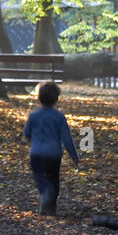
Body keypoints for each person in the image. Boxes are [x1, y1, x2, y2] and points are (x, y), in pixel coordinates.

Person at [22, 82, 79, 216]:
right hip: (53, 154)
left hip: (36, 153)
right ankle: (51, 206)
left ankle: (45, 194)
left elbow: (26, 134)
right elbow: (66, 138)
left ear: (39, 98)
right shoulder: (59, 116)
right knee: (54, 179)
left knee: (39, 177)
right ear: (57, 99)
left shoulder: (34, 115)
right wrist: (74, 156)